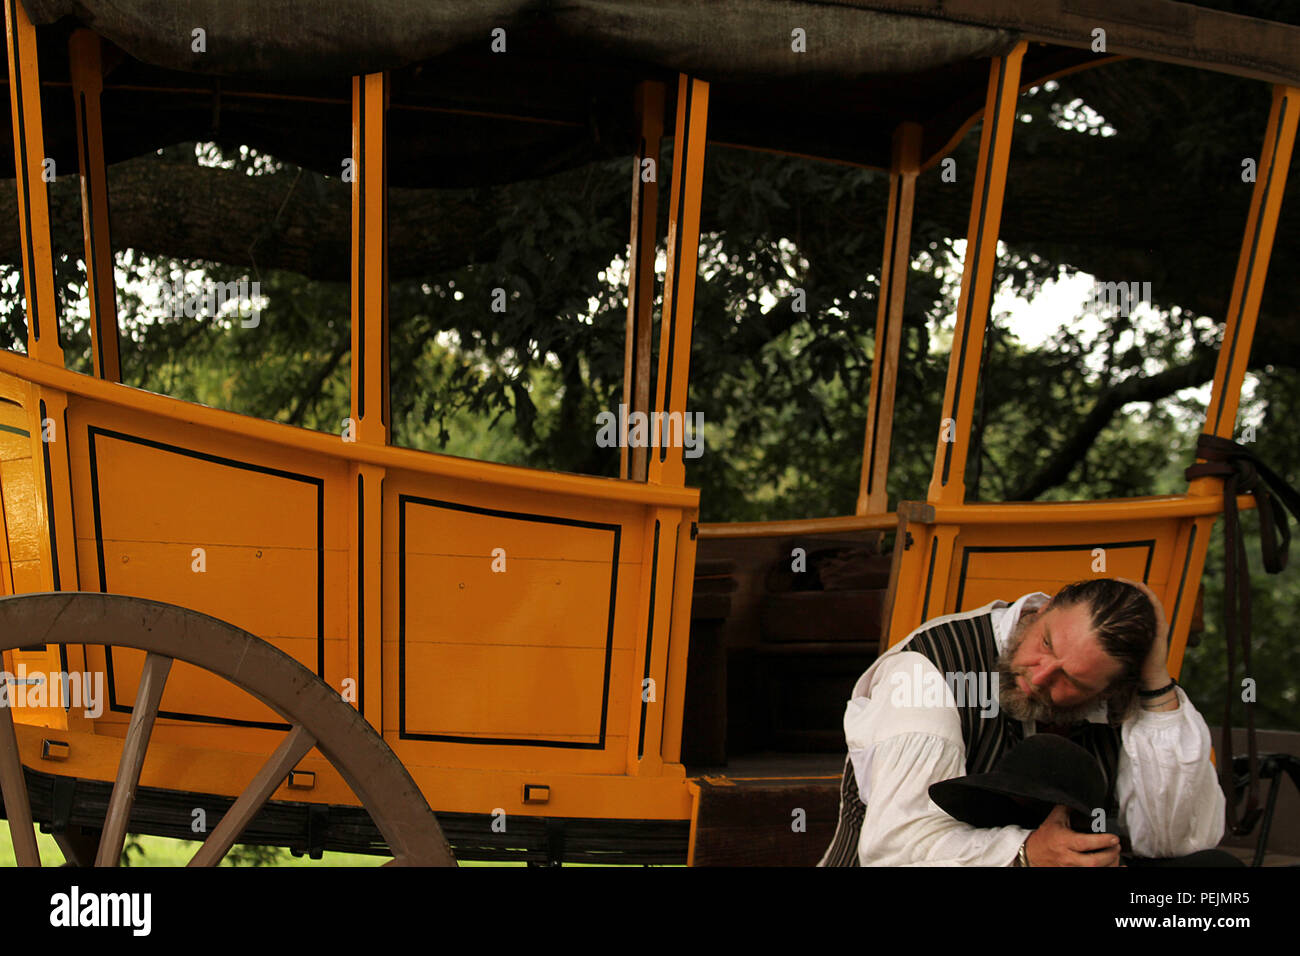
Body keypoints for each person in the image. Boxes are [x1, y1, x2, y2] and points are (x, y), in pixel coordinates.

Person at [817, 577, 1225, 866]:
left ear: (1110, 691)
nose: (1039, 674)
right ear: (1041, 609)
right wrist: (1026, 853)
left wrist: (1155, 683)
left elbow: (1178, 842)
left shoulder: (1120, 697)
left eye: (1072, 680)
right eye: (1046, 643)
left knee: (1212, 877)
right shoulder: (930, 671)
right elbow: (894, 851)